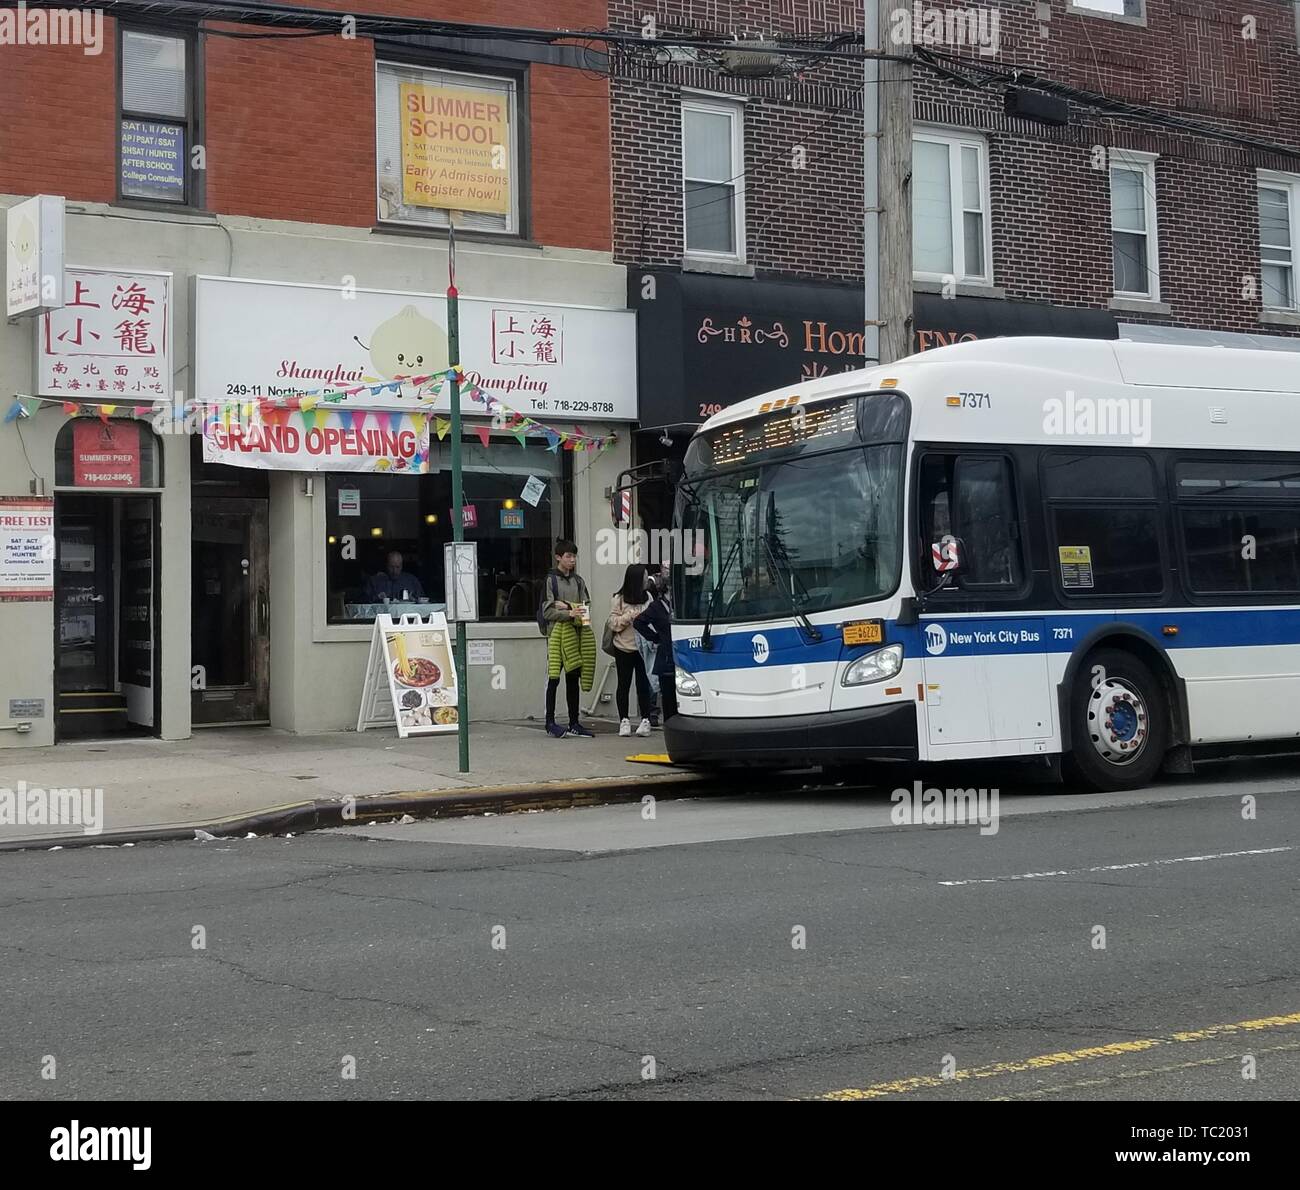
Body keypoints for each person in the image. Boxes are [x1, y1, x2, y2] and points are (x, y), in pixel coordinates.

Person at [540, 539, 596, 739]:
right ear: (558, 558)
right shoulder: (550, 580)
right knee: (553, 679)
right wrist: (570, 613)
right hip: (555, 637)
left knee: (573, 678)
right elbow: (547, 611)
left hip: (575, 635)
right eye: (568, 556)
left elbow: (586, 609)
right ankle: (550, 722)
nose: (572, 560)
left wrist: (565, 605)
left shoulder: (578, 581)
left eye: (574, 556)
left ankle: (574, 722)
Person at [608, 563, 653, 737]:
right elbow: (613, 623)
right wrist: (628, 617)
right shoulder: (618, 599)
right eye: (644, 577)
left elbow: (653, 618)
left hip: (643, 648)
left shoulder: (647, 597)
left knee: (643, 684)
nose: (646, 581)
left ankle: (645, 720)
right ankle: (624, 720)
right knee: (624, 684)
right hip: (623, 647)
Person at [634, 564, 677, 723]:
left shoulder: (680, 607)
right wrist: (655, 637)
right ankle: (669, 723)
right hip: (665, 655)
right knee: (667, 696)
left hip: (680, 652)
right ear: (666, 591)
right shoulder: (657, 606)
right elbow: (638, 622)